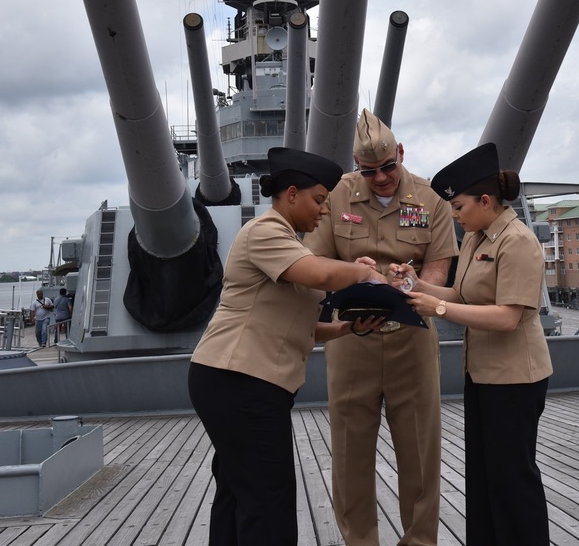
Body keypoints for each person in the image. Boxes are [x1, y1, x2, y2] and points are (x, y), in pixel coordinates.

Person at [188, 147, 388, 545]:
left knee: (237, 491)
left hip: (236, 381)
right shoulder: (266, 231)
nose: (324, 211)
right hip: (240, 381)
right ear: (291, 194)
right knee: (268, 499)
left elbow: (302, 329)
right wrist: (365, 272)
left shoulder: (289, 244)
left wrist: (348, 328)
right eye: (318, 200)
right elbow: (319, 273)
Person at [302, 109, 457, 546]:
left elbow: (441, 268)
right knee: (350, 455)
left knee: (420, 456)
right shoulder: (337, 197)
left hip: (412, 338)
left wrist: (415, 282)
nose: (382, 178)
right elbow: (317, 263)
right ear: (357, 167)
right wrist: (353, 271)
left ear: (401, 154)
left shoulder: (432, 199)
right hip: (354, 341)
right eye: (370, 172)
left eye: (388, 167)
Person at [393, 142, 553, 545]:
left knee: (513, 479)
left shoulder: (516, 242)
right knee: (483, 476)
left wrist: (437, 310)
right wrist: (416, 287)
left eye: (460, 208)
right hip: (481, 375)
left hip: (516, 380)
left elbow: (507, 317)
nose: (456, 217)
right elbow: (463, 297)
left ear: (486, 200)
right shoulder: (476, 239)